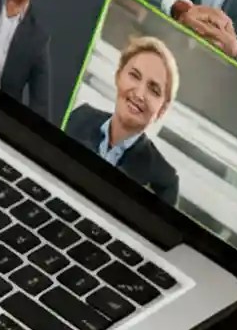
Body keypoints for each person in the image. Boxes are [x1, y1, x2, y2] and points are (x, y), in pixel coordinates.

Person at [65, 37, 180, 206]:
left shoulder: (164, 181)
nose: (139, 94)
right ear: (119, 76)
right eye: (134, 75)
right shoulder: (79, 117)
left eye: (153, 90)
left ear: (162, 110)